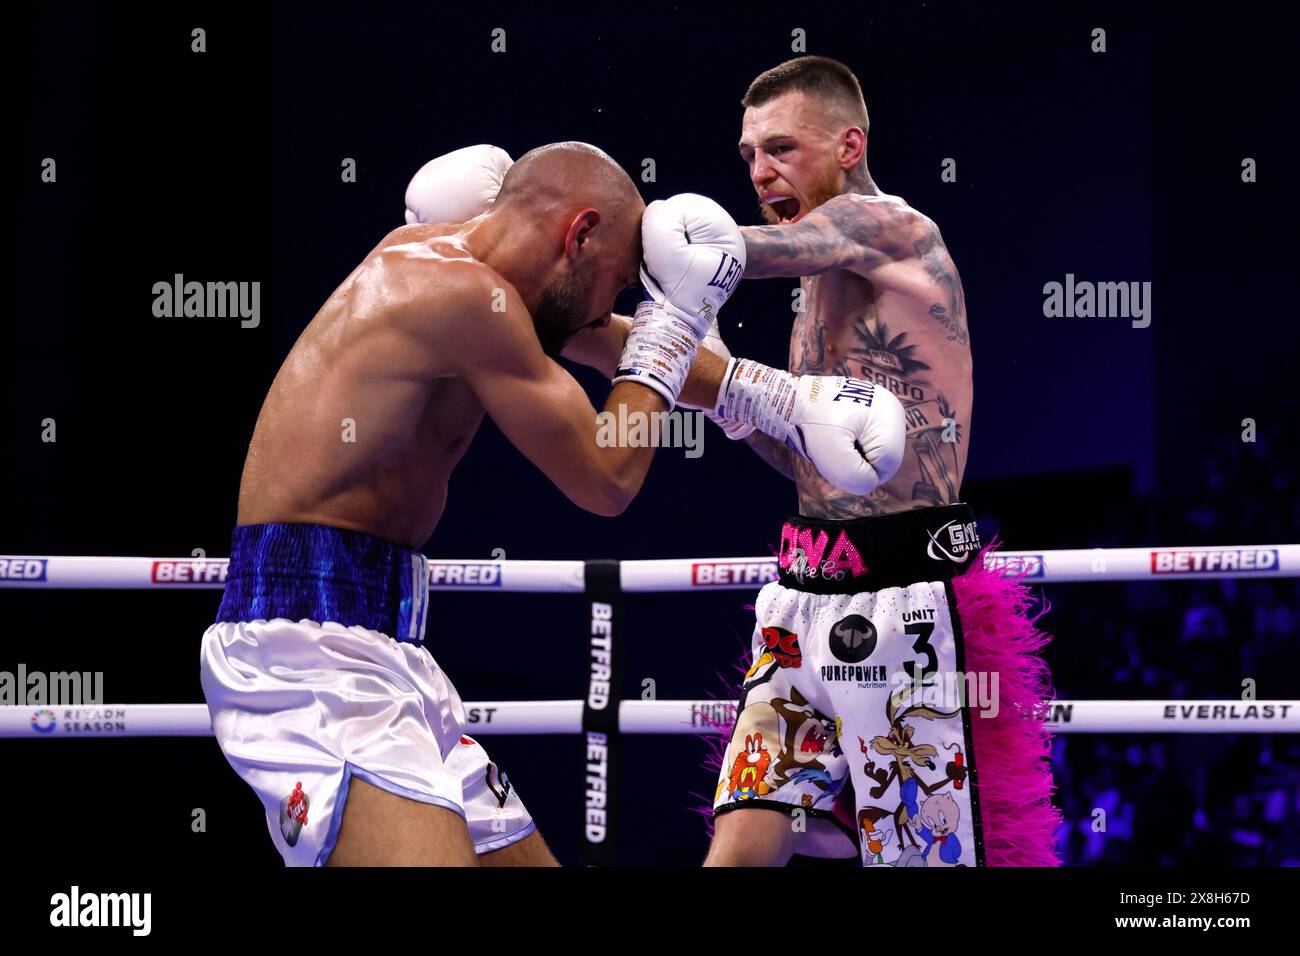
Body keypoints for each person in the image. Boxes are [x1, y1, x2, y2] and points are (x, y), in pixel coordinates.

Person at [200, 142, 744, 866]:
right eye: (614, 283)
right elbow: (608, 476)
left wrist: (781, 399)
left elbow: (618, 347)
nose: (608, 305)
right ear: (578, 234)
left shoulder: (464, 278)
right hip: (308, 655)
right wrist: (676, 320)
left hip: (387, 647)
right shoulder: (459, 296)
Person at [693, 56, 1060, 866]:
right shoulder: (817, 290)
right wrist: (726, 403)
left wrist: (640, 245)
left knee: (919, 859)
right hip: (800, 596)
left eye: (782, 148)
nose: (760, 170)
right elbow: (814, 461)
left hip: (908, 603)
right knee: (741, 843)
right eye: (749, 154)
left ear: (848, 145)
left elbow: (747, 251)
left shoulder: (892, 227)